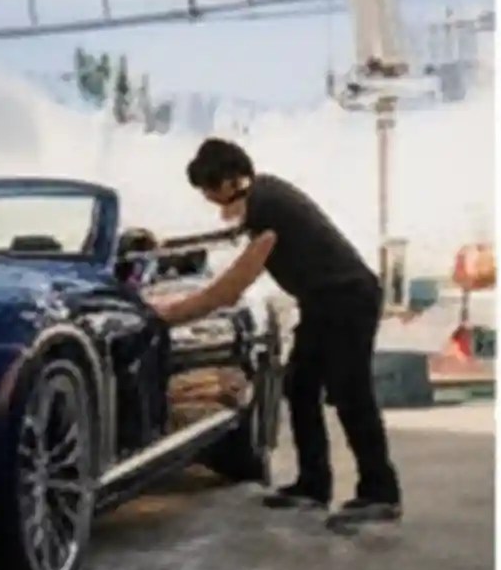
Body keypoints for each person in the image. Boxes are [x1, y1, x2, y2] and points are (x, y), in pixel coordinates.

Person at [150, 137, 402, 526]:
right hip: (321, 302)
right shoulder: (266, 196)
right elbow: (234, 248)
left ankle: (380, 492)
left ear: (231, 181)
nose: (215, 205)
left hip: (348, 298)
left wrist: (171, 314)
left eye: (212, 192)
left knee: (352, 393)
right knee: (299, 386)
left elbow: (233, 285)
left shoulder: (266, 205)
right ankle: (313, 485)